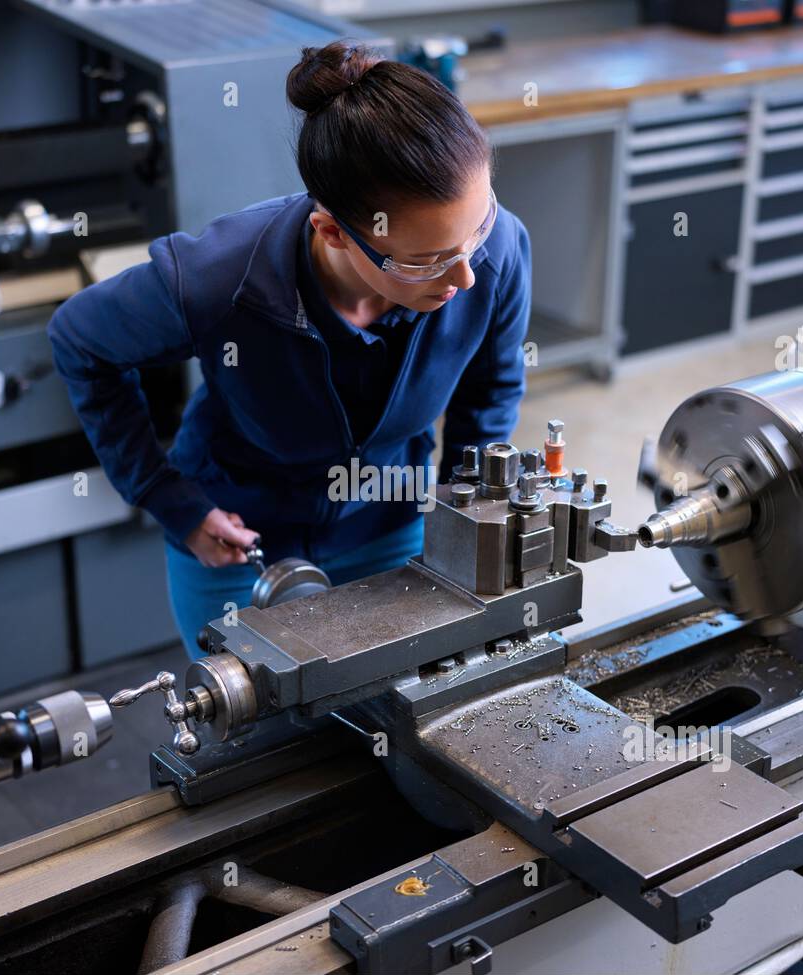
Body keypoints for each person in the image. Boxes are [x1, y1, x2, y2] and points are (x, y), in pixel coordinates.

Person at [50, 40, 532, 654]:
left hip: (389, 522)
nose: (465, 276)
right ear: (332, 230)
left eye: (478, 228)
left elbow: (491, 389)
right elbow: (80, 341)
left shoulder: (497, 251)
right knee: (257, 734)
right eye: (427, 260)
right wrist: (169, 501)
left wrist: (465, 519)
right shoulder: (218, 280)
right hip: (239, 541)